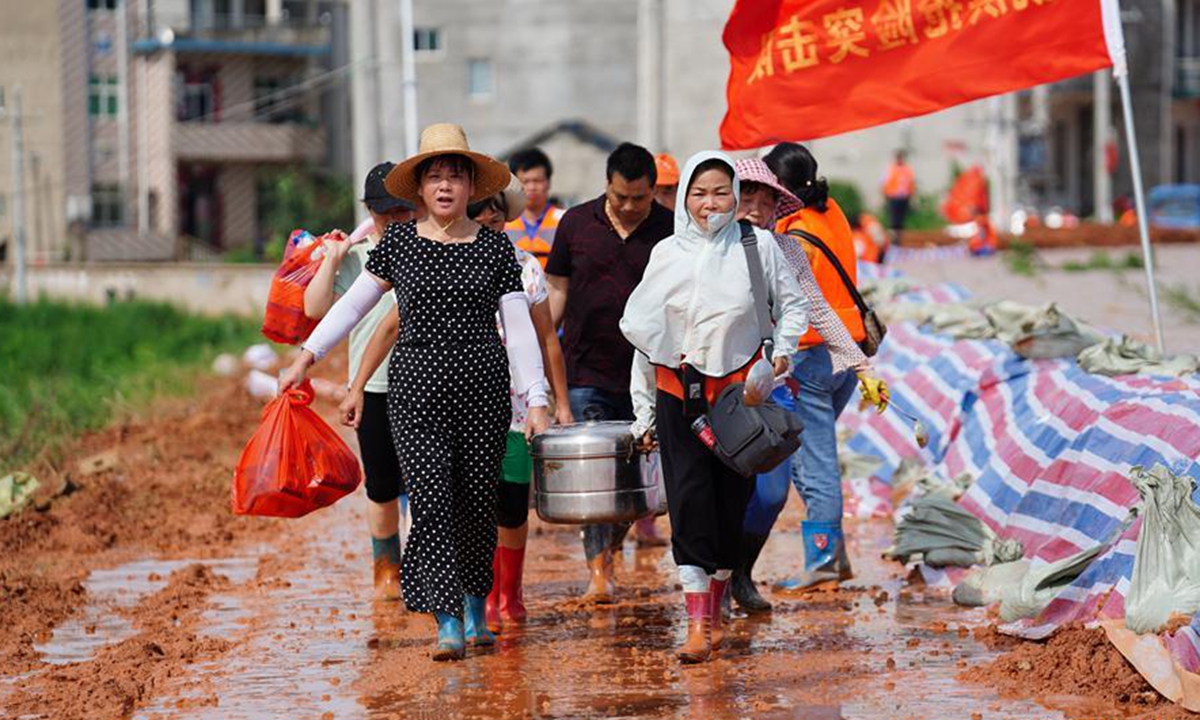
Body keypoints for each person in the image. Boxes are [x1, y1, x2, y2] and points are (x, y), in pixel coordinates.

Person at [279, 123, 551, 662]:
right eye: (435, 176)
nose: (445, 186)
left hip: (483, 390)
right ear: (420, 188)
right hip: (416, 392)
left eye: (456, 176)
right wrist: (307, 357)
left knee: (477, 502)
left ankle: (477, 605)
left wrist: (537, 398)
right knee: (430, 502)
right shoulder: (400, 245)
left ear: (473, 188)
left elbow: (519, 329)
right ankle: (446, 618)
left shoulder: (496, 248)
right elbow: (355, 306)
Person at [620, 151, 810, 663]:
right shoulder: (665, 254)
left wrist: (780, 355)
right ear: (684, 197)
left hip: (738, 401)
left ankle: (718, 603)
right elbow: (645, 339)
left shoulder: (761, 247)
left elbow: (793, 306)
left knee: (730, 505)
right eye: (699, 193)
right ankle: (697, 625)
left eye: (720, 192)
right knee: (687, 505)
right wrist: (644, 413)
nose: (711, 204)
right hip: (677, 396)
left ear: (734, 194)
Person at [729, 157, 877, 613]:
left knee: (773, 490)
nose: (753, 207)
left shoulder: (788, 249)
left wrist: (863, 369)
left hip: (780, 382)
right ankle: (709, 588)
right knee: (717, 488)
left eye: (764, 199)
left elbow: (819, 308)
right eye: (745, 197)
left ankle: (740, 572)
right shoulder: (704, 252)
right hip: (719, 386)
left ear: (778, 205)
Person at [545, 141, 673, 603]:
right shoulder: (576, 225)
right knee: (596, 478)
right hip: (586, 370)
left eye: (640, 197)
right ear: (607, 186)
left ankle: (613, 548)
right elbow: (556, 294)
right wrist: (540, 356)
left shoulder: (671, 230)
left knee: (635, 477)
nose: (630, 206)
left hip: (650, 376)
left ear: (653, 192)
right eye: (621, 196)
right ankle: (599, 572)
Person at [764, 143, 889, 594]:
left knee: (812, 461)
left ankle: (821, 560)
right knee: (816, 454)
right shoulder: (831, 212)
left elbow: (811, 306)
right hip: (846, 351)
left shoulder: (791, 238)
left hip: (810, 356)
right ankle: (835, 557)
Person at [302, 162, 417, 603]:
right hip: (370, 388)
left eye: (403, 211)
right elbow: (316, 310)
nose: (395, 220)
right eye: (386, 213)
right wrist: (330, 262)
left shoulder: (427, 248)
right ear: (372, 211)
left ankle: (424, 569)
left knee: (425, 483)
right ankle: (386, 569)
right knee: (382, 486)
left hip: (419, 383)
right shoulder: (356, 257)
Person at [469, 177, 574, 631]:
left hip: (517, 406)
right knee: (475, 504)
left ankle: (510, 592)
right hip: (465, 402)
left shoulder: (525, 267)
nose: (489, 223)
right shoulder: (446, 265)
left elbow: (549, 340)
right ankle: (485, 596)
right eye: (479, 216)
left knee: (512, 503)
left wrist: (560, 404)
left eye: (495, 215)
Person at [505, 147, 565, 268]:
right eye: (525, 181)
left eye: (537, 181)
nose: (532, 187)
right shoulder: (501, 222)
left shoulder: (566, 219)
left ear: (548, 182)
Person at [882, 150, 916, 246]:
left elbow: (911, 183)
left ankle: (900, 240)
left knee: (901, 219)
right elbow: (885, 183)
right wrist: (886, 196)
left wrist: (911, 196)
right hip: (894, 197)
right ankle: (894, 241)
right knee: (894, 219)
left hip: (904, 197)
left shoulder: (907, 170)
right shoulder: (891, 169)